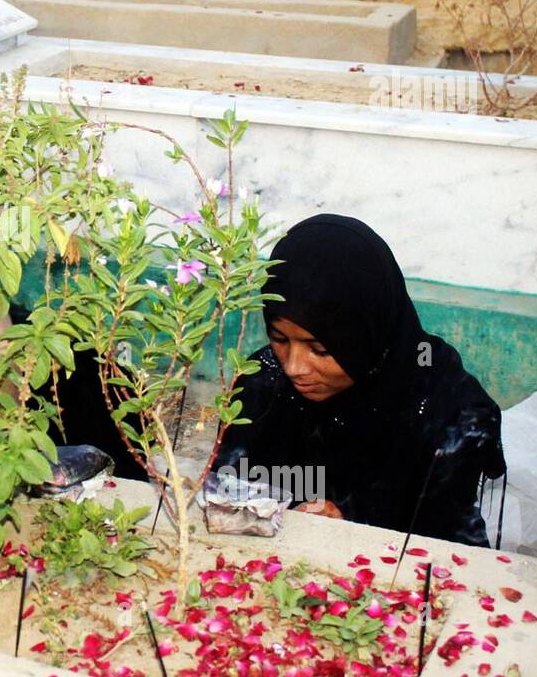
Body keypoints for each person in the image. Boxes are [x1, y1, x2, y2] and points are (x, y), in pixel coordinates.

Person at [211, 215, 507, 547]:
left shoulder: (448, 412)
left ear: (368, 335)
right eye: (279, 339)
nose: (294, 367)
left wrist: (355, 520)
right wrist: (288, 512)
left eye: (320, 349)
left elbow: (447, 545)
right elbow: (230, 490)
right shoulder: (262, 382)